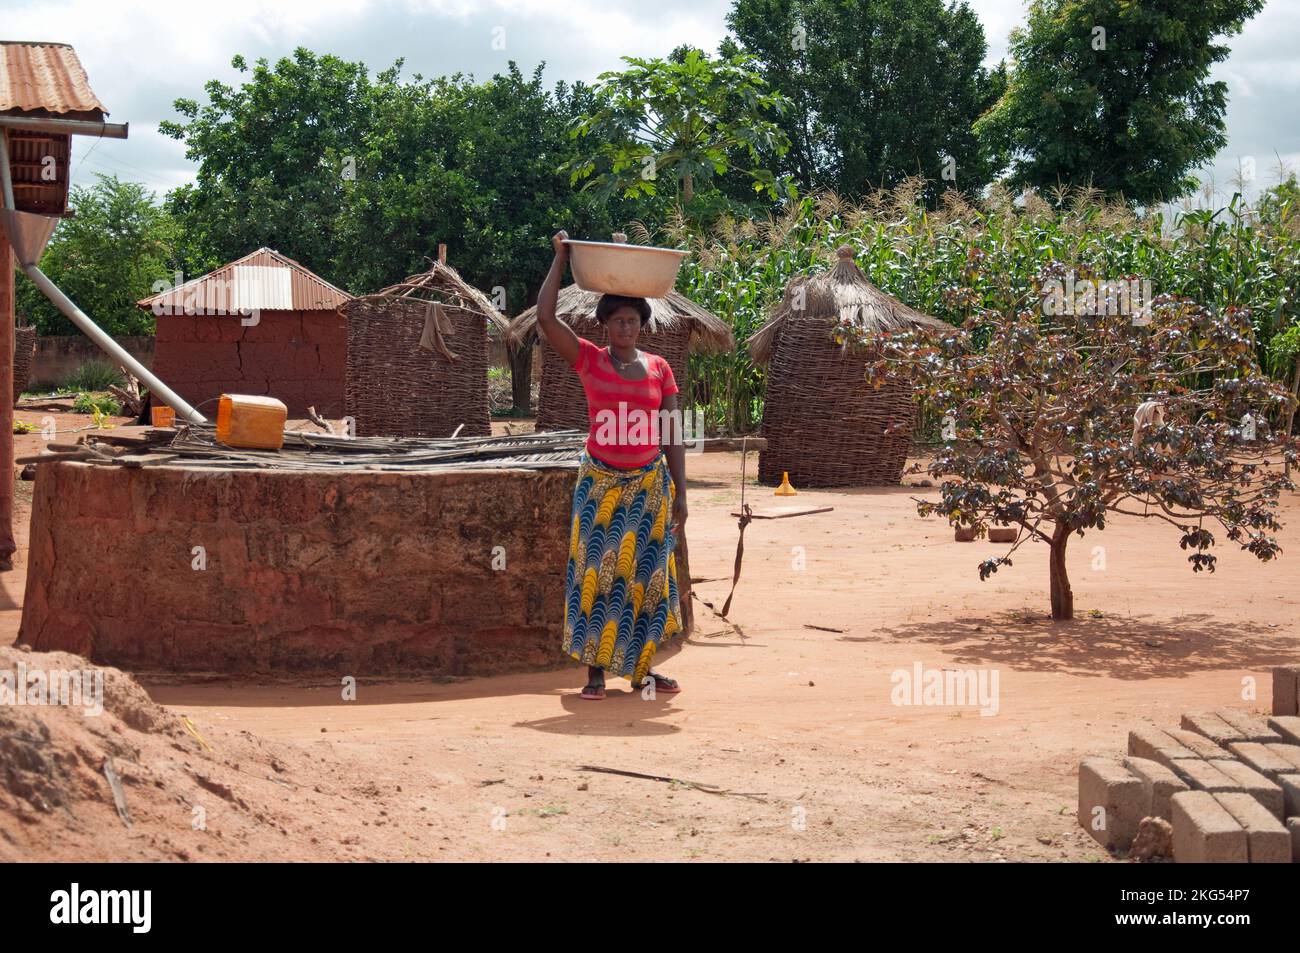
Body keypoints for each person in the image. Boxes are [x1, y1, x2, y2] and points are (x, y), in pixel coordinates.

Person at [535, 230, 686, 700]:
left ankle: (642, 672)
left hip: (648, 486)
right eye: (618, 320)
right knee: (595, 574)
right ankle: (596, 672)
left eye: (633, 320)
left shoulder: (660, 368)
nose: (626, 328)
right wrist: (560, 258)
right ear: (605, 324)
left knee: (647, 576)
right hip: (600, 484)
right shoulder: (589, 360)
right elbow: (544, 317)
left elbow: (673, 433)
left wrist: (681, 494)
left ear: (641, 324)